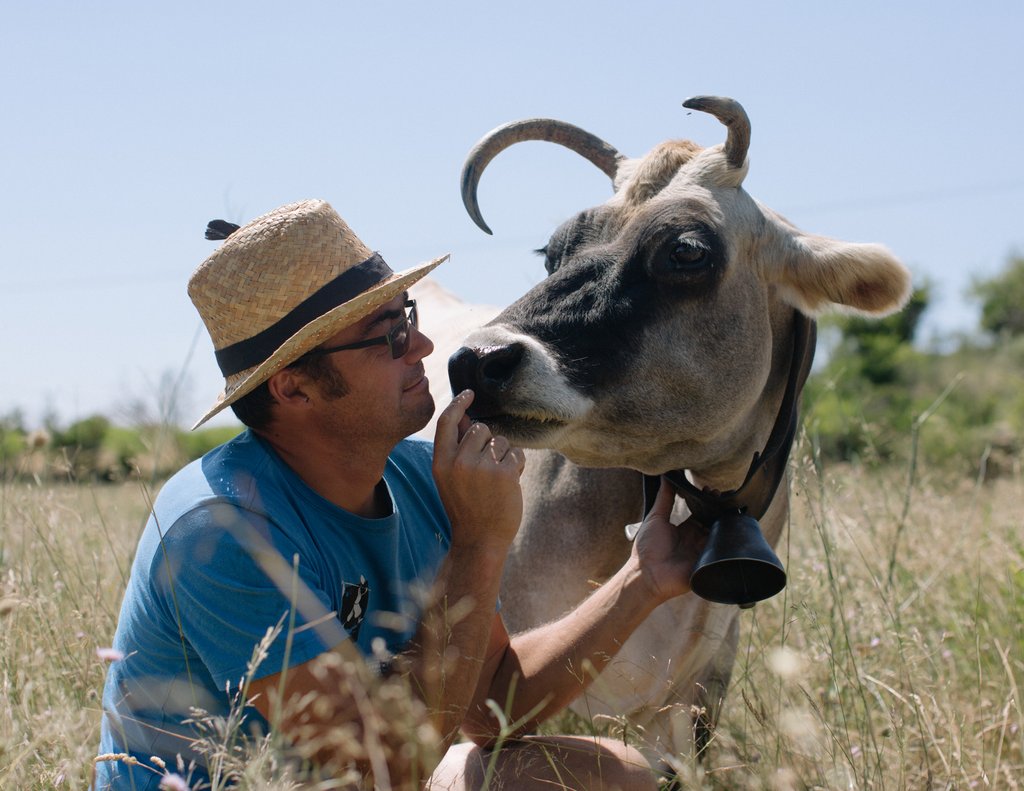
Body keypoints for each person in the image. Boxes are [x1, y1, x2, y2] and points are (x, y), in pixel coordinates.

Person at [94, 199, 705, 790]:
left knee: (614, 775)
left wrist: (642, 580)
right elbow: (380, 771)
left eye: (408, 316)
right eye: (388, 335)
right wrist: (480, 543)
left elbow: (491, 703)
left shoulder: (416, 475)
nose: (423, 347)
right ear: (294, 387)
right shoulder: (220, 529)